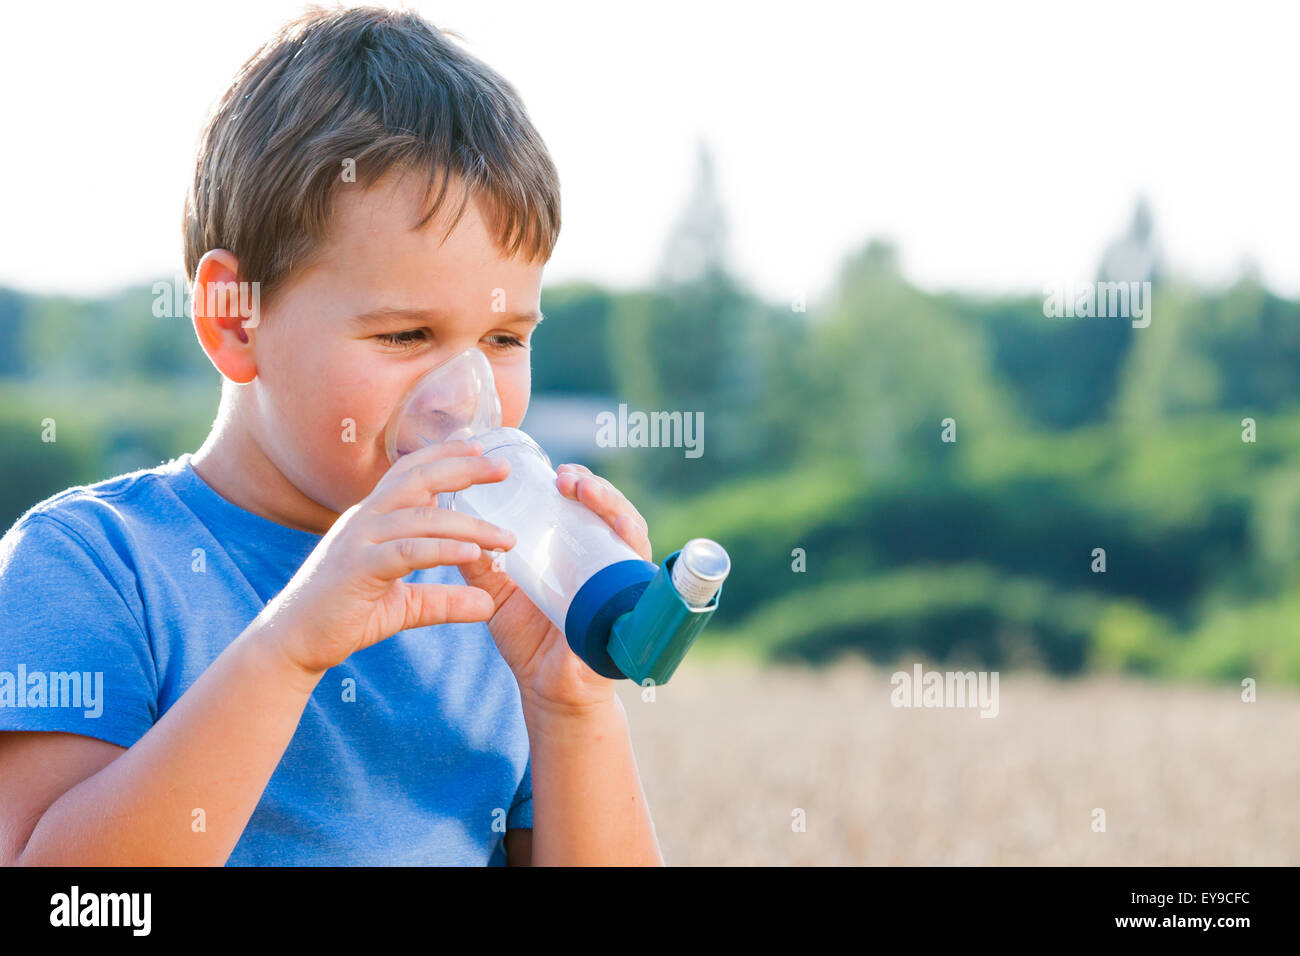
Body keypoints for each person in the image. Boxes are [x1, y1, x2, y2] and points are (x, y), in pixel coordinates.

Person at [0, 5, 661, 866]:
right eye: (403, 336)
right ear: (235, 322)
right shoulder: (92, 567)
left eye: (504, 339)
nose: (465, 399)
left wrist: (571, 705)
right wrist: (290, 647)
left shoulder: (498, 601)